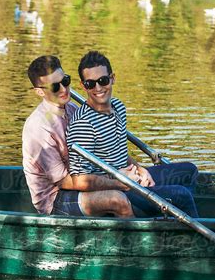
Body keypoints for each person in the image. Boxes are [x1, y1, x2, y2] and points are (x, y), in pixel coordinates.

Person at [66, 50, 199, 218]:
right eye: (90, 84)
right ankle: (192, 236)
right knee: (181, 195)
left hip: (130, 179)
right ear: (83, 85)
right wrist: (122, 183)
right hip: (116, 191)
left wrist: (141, 170)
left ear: (112, 78)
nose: (98, 88)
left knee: (190, 172)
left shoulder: (118, 106)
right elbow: (81, 180)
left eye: (103, 80)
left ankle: (172, 222)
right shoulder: (83, 123)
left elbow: (119, 153)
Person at [22, 55, 134, 218]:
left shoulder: (73, 109)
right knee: (116, 199)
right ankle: (138, 243)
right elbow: (64, 182)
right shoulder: (38, 127)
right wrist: (118, 183)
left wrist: (136, 168)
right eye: (55, 87)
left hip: (84, 180)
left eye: (65, 81)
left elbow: (107, 146)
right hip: (56, 197)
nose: (63, 89)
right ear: (39, 91)